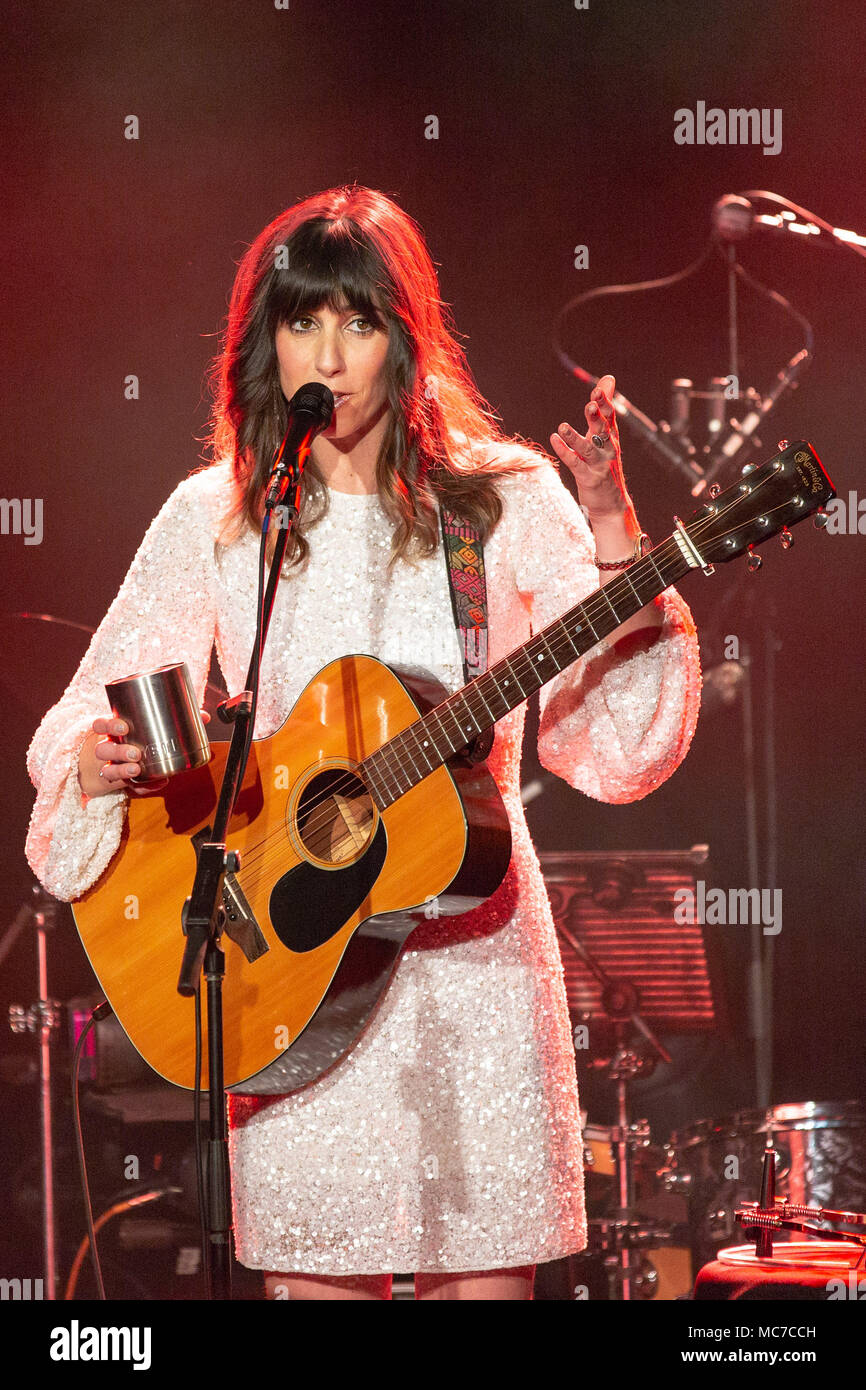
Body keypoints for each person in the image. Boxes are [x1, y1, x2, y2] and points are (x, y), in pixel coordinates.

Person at [25, 185, 701, 1301]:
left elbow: (615, 745)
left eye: (358, 323)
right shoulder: (219, 516)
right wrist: (98, 761)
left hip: (473, 974)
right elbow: (86, 713)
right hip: (283, 969)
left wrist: (623, 537)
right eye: (302, 324)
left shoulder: (500, 500)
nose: (328, 359)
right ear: (263, 343)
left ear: (406, 334)